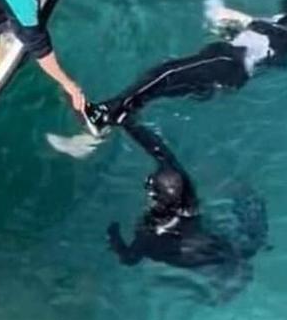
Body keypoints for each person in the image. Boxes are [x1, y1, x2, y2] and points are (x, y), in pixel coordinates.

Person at [84, 0, 287, 134]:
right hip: (230, 69)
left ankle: (106, 113)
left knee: (164, 73)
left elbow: (281, 34)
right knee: (162, 86)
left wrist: (235, 17)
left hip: (229, 62)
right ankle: (116, 118)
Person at [107, 118, 267, 303]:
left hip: (206, 262)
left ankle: (224, 288)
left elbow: (129, 259)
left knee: (217, 289)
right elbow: (164, 155)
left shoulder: (150, 237)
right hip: (219, 248)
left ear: (154, 198)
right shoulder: (187, 201)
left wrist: (113, 233)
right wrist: (129, 124)